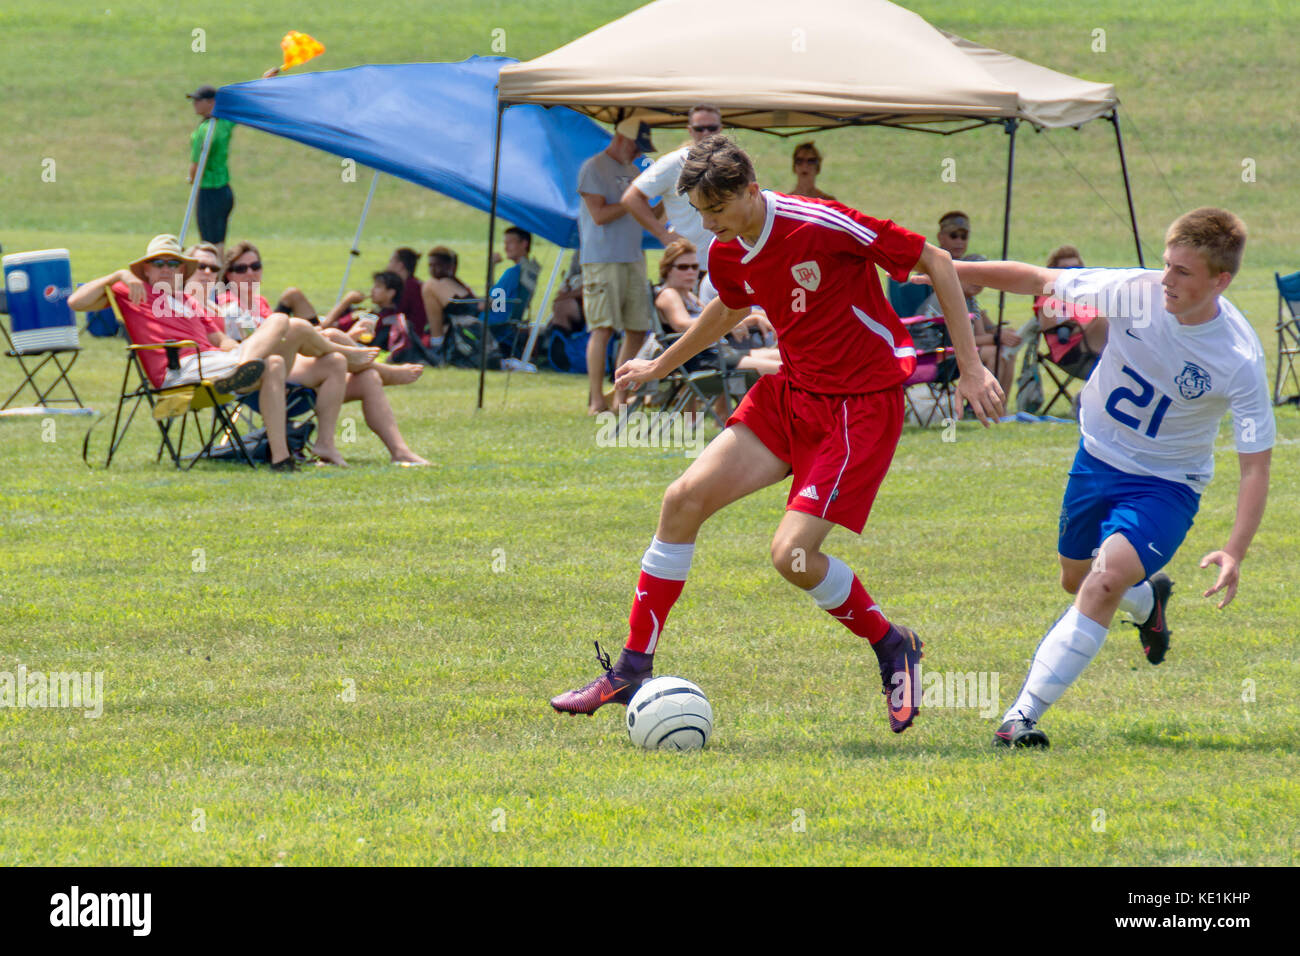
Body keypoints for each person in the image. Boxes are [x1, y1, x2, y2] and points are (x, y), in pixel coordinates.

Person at [549, 135, 1002, 734]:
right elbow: (730, 308)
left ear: (751, 191)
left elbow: (937, 263)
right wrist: (661, 365)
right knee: (681, 501)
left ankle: (893, 643)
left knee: (791, 556)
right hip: (791, 395)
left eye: (716, 211)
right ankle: (633, 667)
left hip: (857, 407)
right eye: (702, 214)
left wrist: (971, 367)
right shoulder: (727, 251)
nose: (709, 226)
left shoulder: (819, 223)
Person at [939, 209, 1274, 749]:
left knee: (1101, 581)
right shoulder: (1137, 291)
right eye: (1167, 265)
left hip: (1166, 484)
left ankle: (1019, 718)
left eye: (1184, 273)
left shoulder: (1238, 357)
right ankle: (1148, 603)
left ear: (1221, 280)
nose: (1167, 280)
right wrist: (951, 269)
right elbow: (1038, 279)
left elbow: (1255, 462)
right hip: (1095, 458)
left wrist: (1236, 548)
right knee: (1076, 580)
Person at [68, 235, 373, 470]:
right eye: (158, 263)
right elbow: (76, 302)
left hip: (215, 363)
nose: (165, 269)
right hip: (180, 372)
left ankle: (281, 460)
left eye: (173, 264)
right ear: (145, 269)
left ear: (180, 270)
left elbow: (220, 341)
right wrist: (117, 275)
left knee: (276, 359)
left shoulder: (189, 303)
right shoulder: (132, 292)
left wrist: (248, 347)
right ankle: (336, 354)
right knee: (281, 320)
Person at [213, 248, 429, 466]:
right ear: (229, 275)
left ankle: (392, 450)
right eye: (241, 269)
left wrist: (347, 335)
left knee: (363, 375)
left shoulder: (260, 303)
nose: (250, 273)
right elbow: (249, 346)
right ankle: (386, 371)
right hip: (261, 376)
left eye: (255, 266)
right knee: (315, 332)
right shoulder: (228, 304)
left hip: (295, 375)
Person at [577, 117, 656, 413]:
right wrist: (632, 200)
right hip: (602, 259)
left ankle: (620, 396)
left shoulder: (632, 170)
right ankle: (597, 399)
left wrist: (662, 203)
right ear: (622, 139)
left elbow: (645, 216)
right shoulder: (593, 168)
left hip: (633, 256)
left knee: (637, 328)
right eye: (637, 147)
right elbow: (598, 214)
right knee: (603, 328)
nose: (639, 154)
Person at [621, 105, 724, 299]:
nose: (706, 133)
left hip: (726, 264)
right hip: (688, 268)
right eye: (700, 128)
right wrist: (662, 234)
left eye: (712, 128)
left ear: (721, 128)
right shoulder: (675, 162)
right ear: (690, 130)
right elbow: (631, 197)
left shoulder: (732, 161)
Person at [655, 239, 780, 377]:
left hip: (718, 351)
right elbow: (681, 324)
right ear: (667, 269)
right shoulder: (669, 294)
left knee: (784, 358)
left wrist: (753, 317)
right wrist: (726, 325)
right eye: (683, 267)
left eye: (695, 267)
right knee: (782, 369)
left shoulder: (690, 297)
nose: (691, 272)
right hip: (698, 358)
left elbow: (721, 315)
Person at [919, 254, 1022, 397]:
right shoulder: (948, 296)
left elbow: (979, 336)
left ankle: (1001, 410)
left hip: (952, 352)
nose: (978, 282)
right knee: (994, 353)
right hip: (933, 356)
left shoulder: (970, 299)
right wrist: (998, 338)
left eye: (983, 278)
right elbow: (959, 340)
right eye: (972, 276)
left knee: (1006, 352)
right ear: (958, 275)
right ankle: (984, 406)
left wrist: (1003, 336)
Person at [1034, 245, 1108, 379]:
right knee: (1109, 315)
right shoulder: (1050, 293)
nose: (1071, 271)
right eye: (1065, 268)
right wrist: (1086, 326)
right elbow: (1050, 328)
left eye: (1077, 268)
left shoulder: (1087, 290)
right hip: (1072, 351)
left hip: (1096, 342)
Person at [186, 86, 236, 260]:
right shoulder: (225, 122)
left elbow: (196, 165)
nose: (195, 104)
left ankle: (214, 280)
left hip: (209, 190)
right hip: (225, 191)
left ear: (211, 102)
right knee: (219, 241)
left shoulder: (204, 131)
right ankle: (218, 278)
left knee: (209, 244)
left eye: (198, 100)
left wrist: (191, 179)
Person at [483, 226, 541, 364]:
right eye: (505, 243)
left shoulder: (513, 273)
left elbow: (491, 302)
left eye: (510, 243)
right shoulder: (530, 270)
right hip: (508, 325)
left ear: (524, 244)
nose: (506, 247)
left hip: (494, 325)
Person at [422, 245, 476, 356]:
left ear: (449, 266)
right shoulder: (450, 284)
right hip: (459, 325)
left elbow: (467, 308)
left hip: (465, 325)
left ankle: (437, 343)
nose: (433, 269)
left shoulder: (439, 285)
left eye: (437, 265)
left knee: (428, 286)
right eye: (430, 265)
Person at [388, 247, 430, 347]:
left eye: (390, 262)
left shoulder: (409, 288)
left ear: (400, 266)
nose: (387, 266)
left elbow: (398, 315)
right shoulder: (414, 284)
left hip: (412, 335)